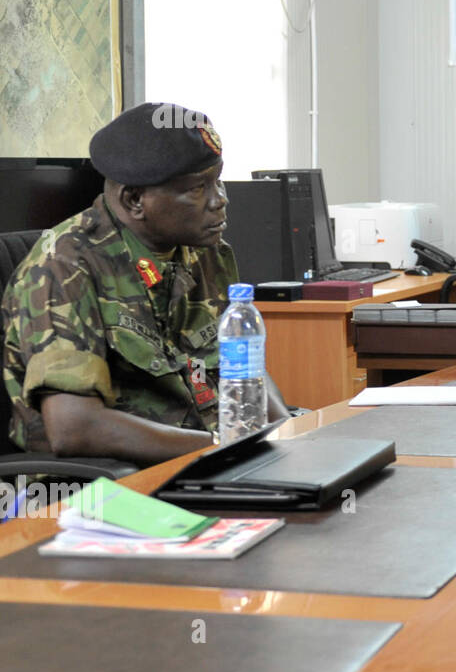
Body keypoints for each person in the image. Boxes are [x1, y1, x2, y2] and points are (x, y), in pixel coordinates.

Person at [1, 103, 289, 466]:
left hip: (211, 458)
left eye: (218, 180)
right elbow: (74, 427)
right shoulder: (64, 268)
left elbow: (243, 367)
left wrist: (286, 432)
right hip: (115, 484)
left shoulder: (204, 253)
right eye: (199, 188)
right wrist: (219, 446)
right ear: (135, 200)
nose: (220, 200)